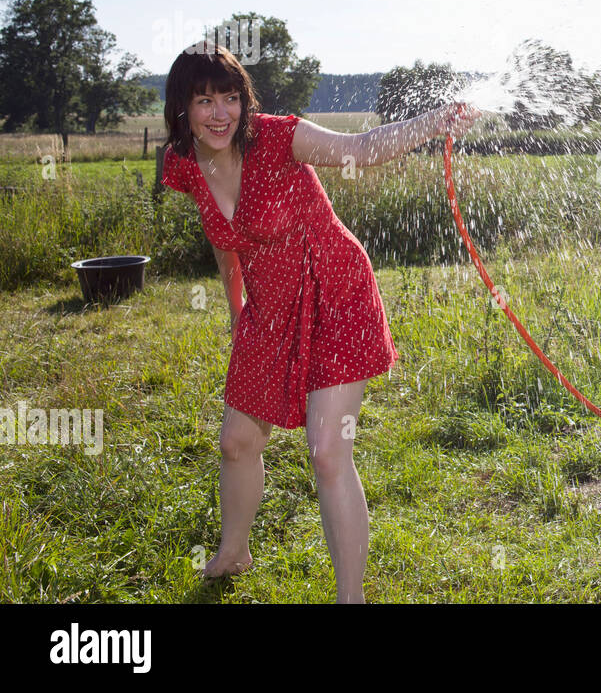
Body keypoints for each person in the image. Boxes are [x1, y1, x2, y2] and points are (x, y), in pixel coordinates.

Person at [159, 42, 478, 603]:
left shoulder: (279, 137)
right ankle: (234, 551)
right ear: (181, 108)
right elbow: (222, 242)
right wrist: (238, 313)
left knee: (328, 451)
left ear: (244, 101)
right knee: (236, 441)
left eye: (229, 98)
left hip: (335, 294)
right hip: (268, 306)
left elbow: (363, 148)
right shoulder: (184, 162)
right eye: (203, 100)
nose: (219, 113)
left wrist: (436, 120)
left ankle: (349, 599)